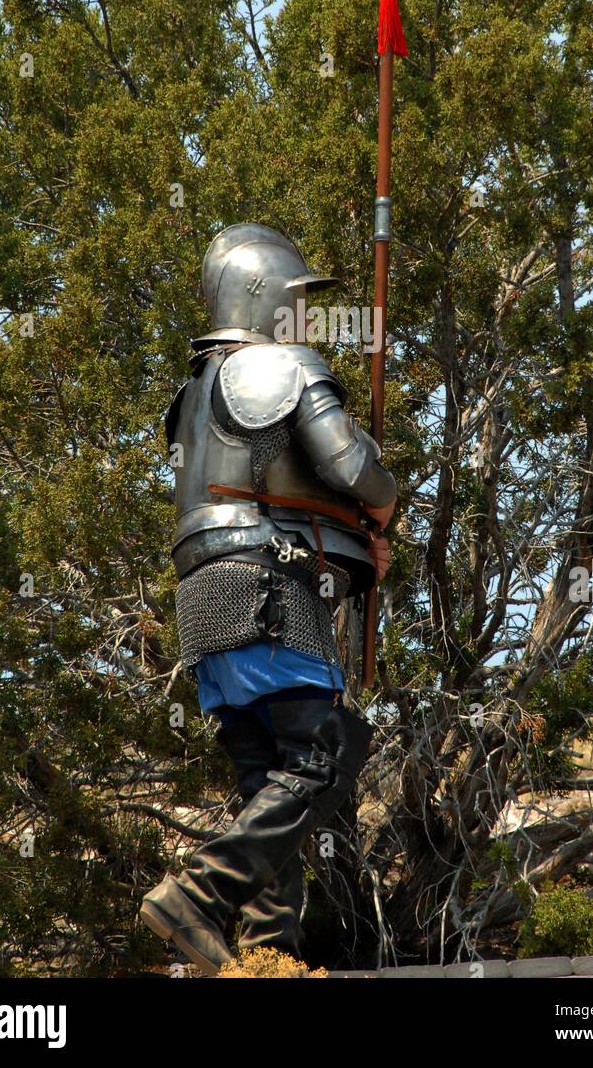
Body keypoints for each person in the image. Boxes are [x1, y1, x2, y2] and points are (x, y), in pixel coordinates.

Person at [139, 223, 397, 975]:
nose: (305, 318)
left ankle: (264, 957)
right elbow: (354, 469)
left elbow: (264, 483)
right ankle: (197, 891)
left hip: (210, 598)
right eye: (295, 301)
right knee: (327, 748)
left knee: (266, 784)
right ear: (260, 300)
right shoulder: (274, 367)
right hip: (270, 587)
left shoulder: (194, 391)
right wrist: (377, 507)